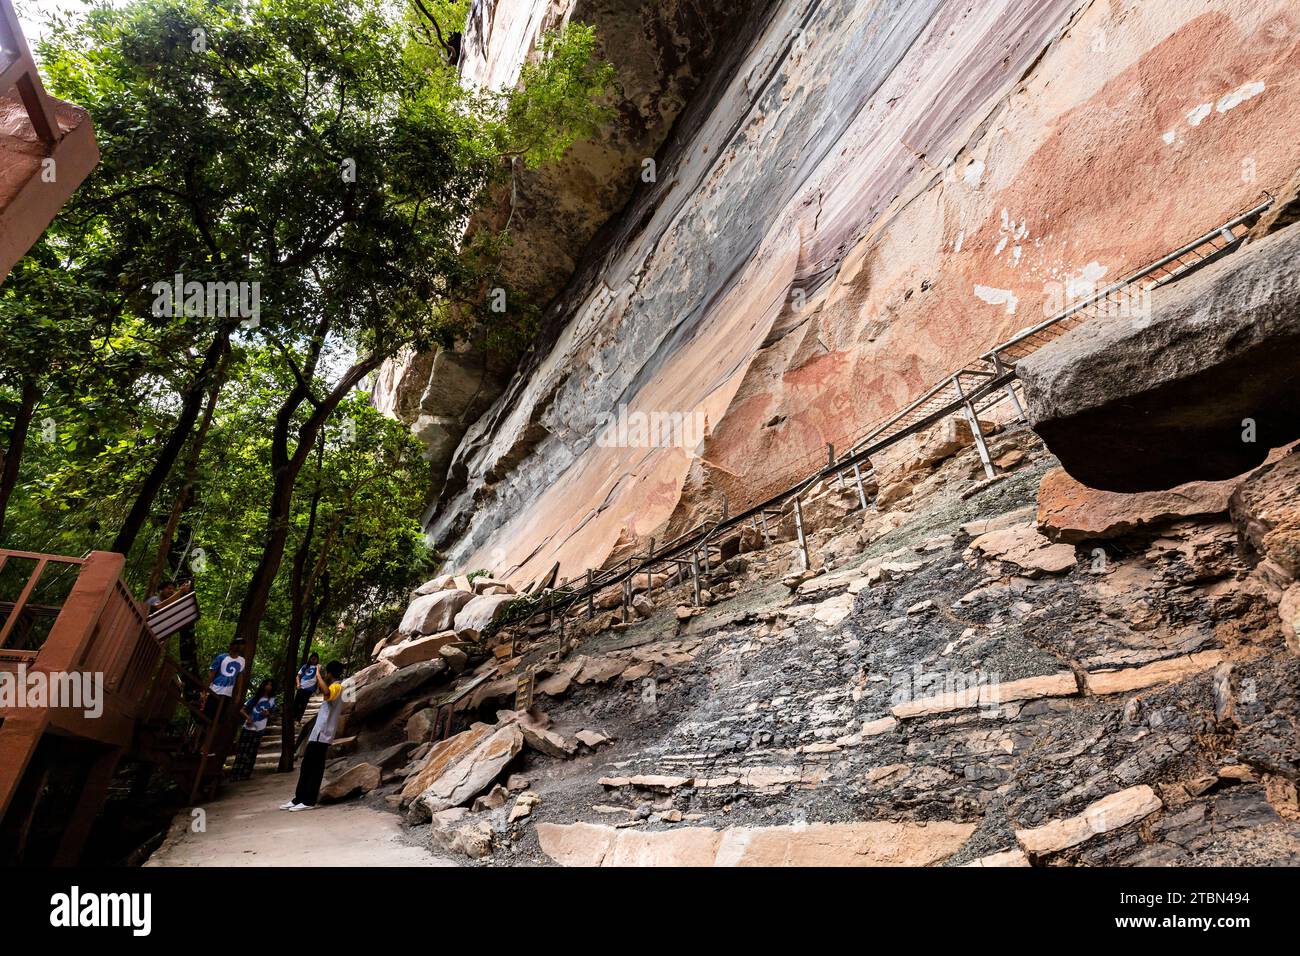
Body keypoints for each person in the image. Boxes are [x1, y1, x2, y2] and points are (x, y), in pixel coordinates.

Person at [282, 660, 344, 811]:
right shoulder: (335, 686)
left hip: (323, 735)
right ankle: (299, 799)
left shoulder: (337, 686)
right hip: (318, 734)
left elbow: (327, 693)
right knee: (307, 766)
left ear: (329, 673)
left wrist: (317, 675)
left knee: (314, 768)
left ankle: (309, 800)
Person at [231, 679, 276, 780]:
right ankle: (236, 774)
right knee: (242, 751)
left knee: (252, 752)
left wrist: (268, 714)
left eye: (270, 685)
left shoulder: (272, 700)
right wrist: (248, 718)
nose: (268, 687)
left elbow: (273, 715)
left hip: (260, 728)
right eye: (267, 684)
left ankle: (245, 775)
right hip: (248, 727)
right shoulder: (256, 698)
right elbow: (242, 710)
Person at [203, 639, 246, 723]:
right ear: (231, 645)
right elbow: (212, 673)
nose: (239, 646)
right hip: (215, 690)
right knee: (207, 715)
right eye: (237, 644)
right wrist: (205, 689)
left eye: (241, 644)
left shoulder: (242, 660)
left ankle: (211, 732)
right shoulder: (222, 657)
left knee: (218, 717)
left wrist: (238, 694)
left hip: (228, 693)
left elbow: (240, 677)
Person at [293, 652, 320, 721]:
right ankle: (293, 718)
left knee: (303, 704)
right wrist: (298, 684)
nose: (313, 660)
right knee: (296, 703)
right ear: (310, 658)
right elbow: (298, 676)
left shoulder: (318, 667)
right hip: (301, 686)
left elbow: (319, 678)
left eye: (315, 659)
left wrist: (317, 688)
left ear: (317, 660)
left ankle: (298, 719)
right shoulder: (305, 666)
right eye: (312, 658)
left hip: (309, 689)